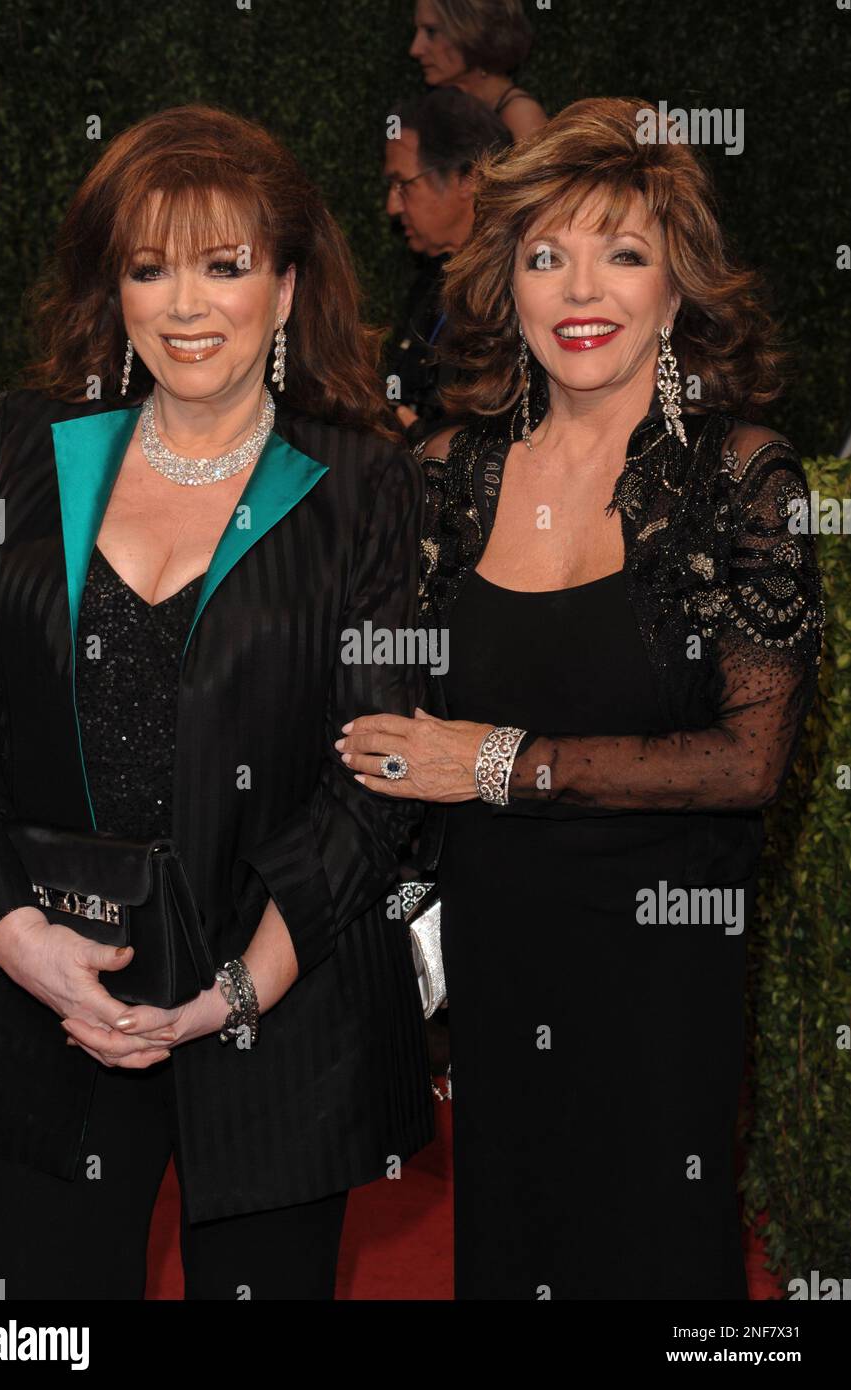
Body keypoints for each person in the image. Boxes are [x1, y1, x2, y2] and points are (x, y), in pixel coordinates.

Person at [0, 103, 434, 1301]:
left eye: (225, 265)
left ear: (286, 283)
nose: (185, 304)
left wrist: (232, 991)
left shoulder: (362, 481)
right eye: (149, 267)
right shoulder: (28, 441)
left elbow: (376, 778)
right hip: (46, 1009)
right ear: (113, 286)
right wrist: (17, 938)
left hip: (279, 1020)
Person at [336, 96, 825, 1299]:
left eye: (622, 251)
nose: (578, 288)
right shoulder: (444, 476)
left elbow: (746, 760)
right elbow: (379, 714)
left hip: (660, 981)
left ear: (678, 285)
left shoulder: (741, 480)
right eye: (545, 255)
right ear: (507, 282)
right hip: (498, 978)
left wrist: (500, 762)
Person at [383, 86, 511, 443]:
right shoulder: (434, 276)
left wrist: (427, 440)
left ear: (468, 178)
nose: (392, 206)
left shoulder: (515, 294)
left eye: (402, 184)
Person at [409, 0, 548, 142]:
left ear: (474, 31)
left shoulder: (521, 115)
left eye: (431, 32)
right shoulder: (442, 107)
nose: (415, 49)